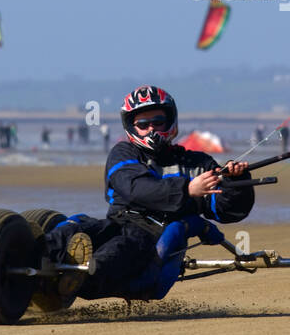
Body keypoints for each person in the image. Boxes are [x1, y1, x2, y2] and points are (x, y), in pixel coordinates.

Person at [41, 85, 253, 301]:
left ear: (170, 121)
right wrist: (188, 190)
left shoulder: (197, 163)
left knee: (119, 250)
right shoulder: (124, 153)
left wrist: (235, 181)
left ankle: (78, 276)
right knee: (78, 228)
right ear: (132, 127)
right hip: (117, 223)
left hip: (153, 238)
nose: (151, 129)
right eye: (143, 124)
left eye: (158, 122)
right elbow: (135, 189)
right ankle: (29, 255)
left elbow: (227, 211)